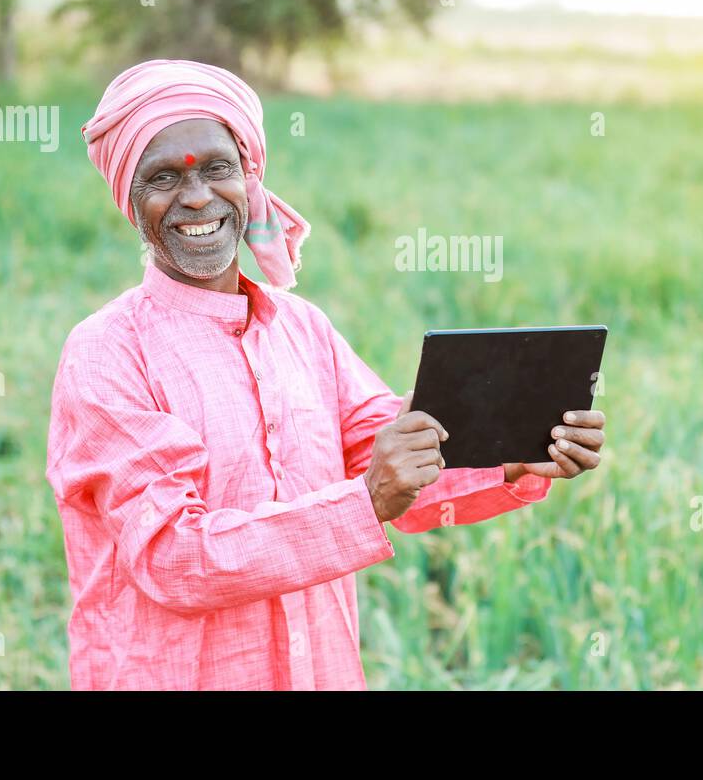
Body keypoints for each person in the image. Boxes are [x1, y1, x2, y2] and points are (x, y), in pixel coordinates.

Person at [45, 59, 607, 689]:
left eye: (217, 168)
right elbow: (173, 556)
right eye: (163, 178)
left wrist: (513, 454)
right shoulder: (107, 353)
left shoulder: (302, 328)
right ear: (130, 199)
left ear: (250, 178)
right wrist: (365, 502)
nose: (198, 196)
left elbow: (391, 462)